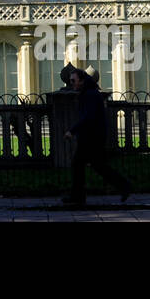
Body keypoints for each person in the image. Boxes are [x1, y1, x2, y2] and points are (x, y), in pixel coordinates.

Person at [62, 67, 132, 206]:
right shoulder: (88, 92)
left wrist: (72, 130)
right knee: (96, 166)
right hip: (92, 136)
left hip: (92, 137)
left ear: (81, 81)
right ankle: (123, 186)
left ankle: (78, 197)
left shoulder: (90, 94)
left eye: (73, 81)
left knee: (80, 164)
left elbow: (88, 117)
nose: (71, 84)